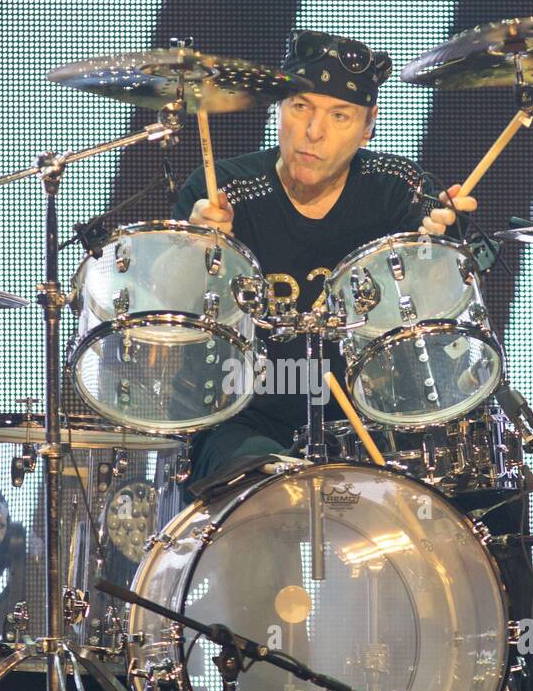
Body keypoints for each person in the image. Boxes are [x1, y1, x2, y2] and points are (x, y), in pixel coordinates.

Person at [171, 29, 477, 481]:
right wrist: (191, 246)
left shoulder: (398, 189)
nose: (314, 132)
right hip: (247, 419)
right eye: (301, 107)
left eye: (340, 115)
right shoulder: (219, 189)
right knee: (261, 493)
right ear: (280, 109)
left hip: (375, 424)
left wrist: (437, 249)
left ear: (368, 126)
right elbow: (166, 307)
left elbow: (440, 317)